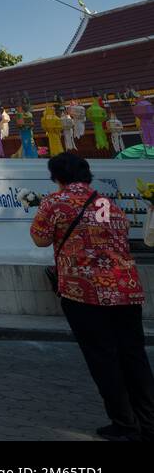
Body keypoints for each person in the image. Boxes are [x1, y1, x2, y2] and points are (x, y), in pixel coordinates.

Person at [30, 152, 153, 441]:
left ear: (57, 177)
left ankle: (124, 423)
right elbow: (122, 234)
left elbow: (40, 238)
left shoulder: (55, 202)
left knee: (103, 357)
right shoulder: (107, 203)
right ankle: (148, 421)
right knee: (134, 356)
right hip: (125, 289)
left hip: (85, 292)